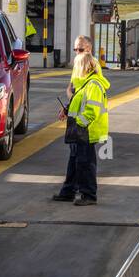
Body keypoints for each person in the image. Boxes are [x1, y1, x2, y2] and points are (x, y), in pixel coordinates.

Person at [54, 52, 109, 206]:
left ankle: (89, 195)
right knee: (75, 161)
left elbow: (91, 111)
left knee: (85, 163)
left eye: (76, 65)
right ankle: (68, 191)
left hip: (86, 131)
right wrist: (66, 110)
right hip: (80, 130)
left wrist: (78, 122)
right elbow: (78, 102)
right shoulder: (84, 83)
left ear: (83, 67)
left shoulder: (93, 85)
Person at [67, 34, 102, 98]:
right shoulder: (78, 63)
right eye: (75, 49)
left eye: (80, 50)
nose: (77, 52)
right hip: (77, 101)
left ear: (89, 48)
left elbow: (93, 91)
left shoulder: (93, 64)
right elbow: (70, 88)